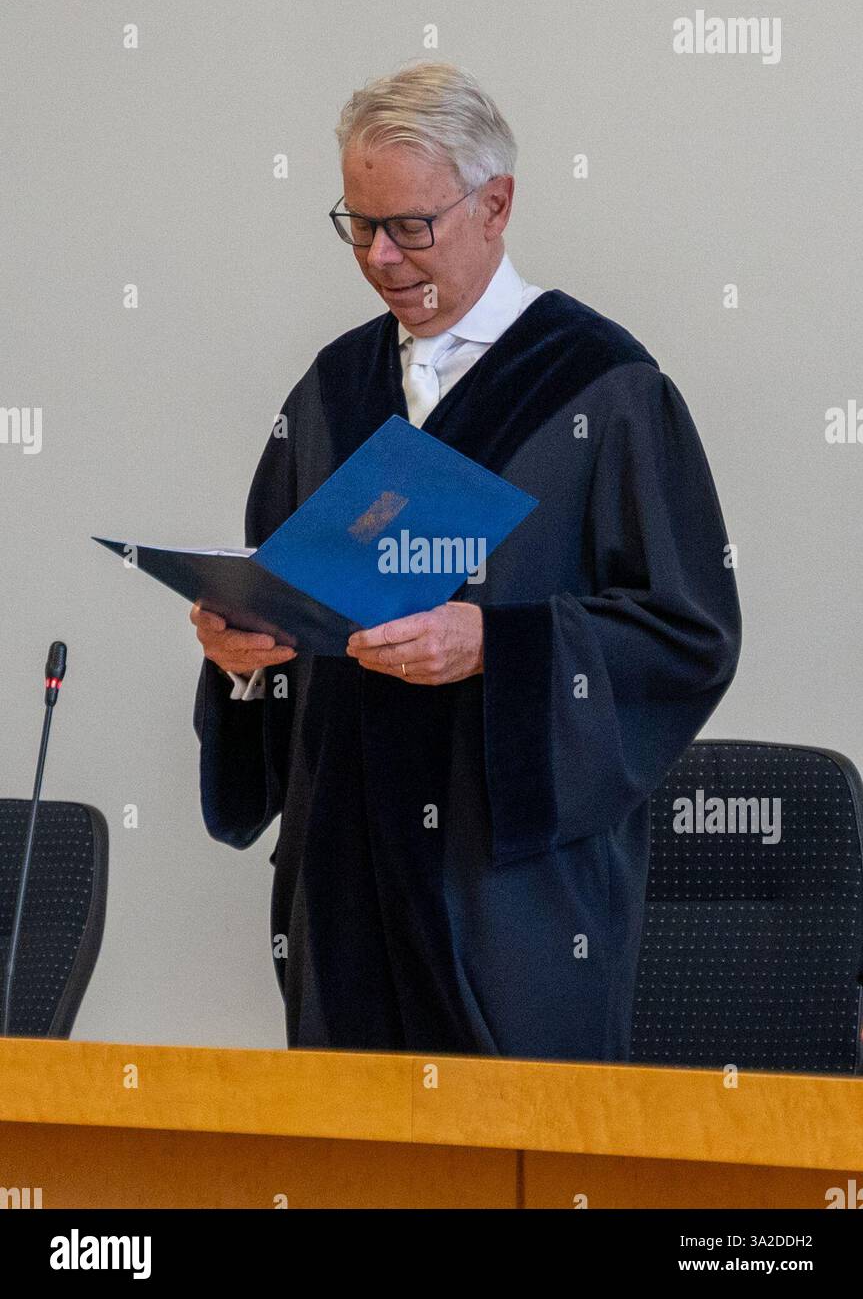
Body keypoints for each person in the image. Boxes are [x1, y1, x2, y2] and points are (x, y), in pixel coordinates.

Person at [191, 60, 742, 1061]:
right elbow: (287, 595)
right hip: (345, 864)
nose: (381, 256)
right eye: (358, 223)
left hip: (512, 892)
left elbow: (685, 632)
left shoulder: (602, 388)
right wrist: (244, 652)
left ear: (496, 204)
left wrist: (497, 643)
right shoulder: (333, 387)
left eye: (412, 225)